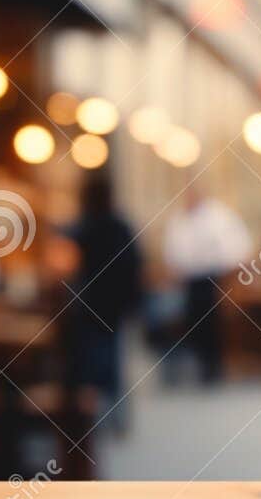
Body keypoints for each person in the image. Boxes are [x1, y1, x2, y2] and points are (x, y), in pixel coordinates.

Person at [69, 175, 143, 426]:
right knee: (114, 357)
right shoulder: (121, 227)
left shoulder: (84, 228)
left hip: (92, 303)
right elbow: (135, 264)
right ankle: (116, 412)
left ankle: (97, 413)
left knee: (94, 359)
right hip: (116, 304)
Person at [161, 190, 251, 383]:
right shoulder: (180, 220)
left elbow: (233, 246)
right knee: (195, 322)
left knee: (213, 322)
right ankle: (202, 363)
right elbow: (173, 252)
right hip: (191, 280)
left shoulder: (218, 216)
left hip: (215, 278)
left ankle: (214, 364)